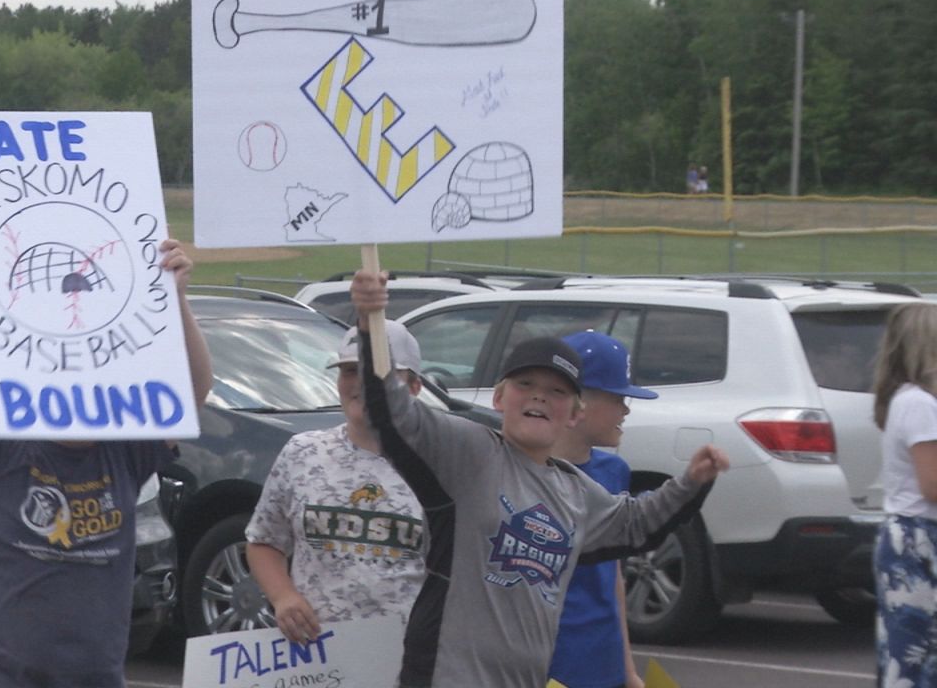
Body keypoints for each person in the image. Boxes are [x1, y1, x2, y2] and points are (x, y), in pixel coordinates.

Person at [348, 269, 729, 688]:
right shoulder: (468, 452)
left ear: (574, 413)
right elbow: (394, 412)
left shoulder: (575, 491)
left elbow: (635, 525)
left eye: (557, 391)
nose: (539, 396)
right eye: (525, 384)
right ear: (498, 398)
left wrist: (692, 480)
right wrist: (371, 324)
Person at [0, 235, 213, 688]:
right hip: (2, 674)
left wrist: (176, 298)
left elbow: (194, 388)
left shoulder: (124, 453)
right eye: (68, 384)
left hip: (94, 675)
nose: (81, 395)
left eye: (94, 384)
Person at [246, 321, 428, 644]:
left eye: (379, 374)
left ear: (414, 387)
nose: (361, 383)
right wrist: (283, 596)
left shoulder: (441, 464)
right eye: (349, 371)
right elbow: (263, 541)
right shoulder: (303, 452)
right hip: (317, 658)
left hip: (408, 658)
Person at [548, 331, 657, 688]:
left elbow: (613, 579)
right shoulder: (524, 473)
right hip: (548, 657)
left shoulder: (614, 472)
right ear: (579, 403)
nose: (626, 409)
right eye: (617, 398)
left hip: (603, 661)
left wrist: (628, 670)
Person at [871, 302, 937, 687]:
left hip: (908, 536)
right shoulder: (920, 404)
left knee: (910, 654)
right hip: (919, 539)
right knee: (914, 657)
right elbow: (932, 485)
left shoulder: (908, 399)